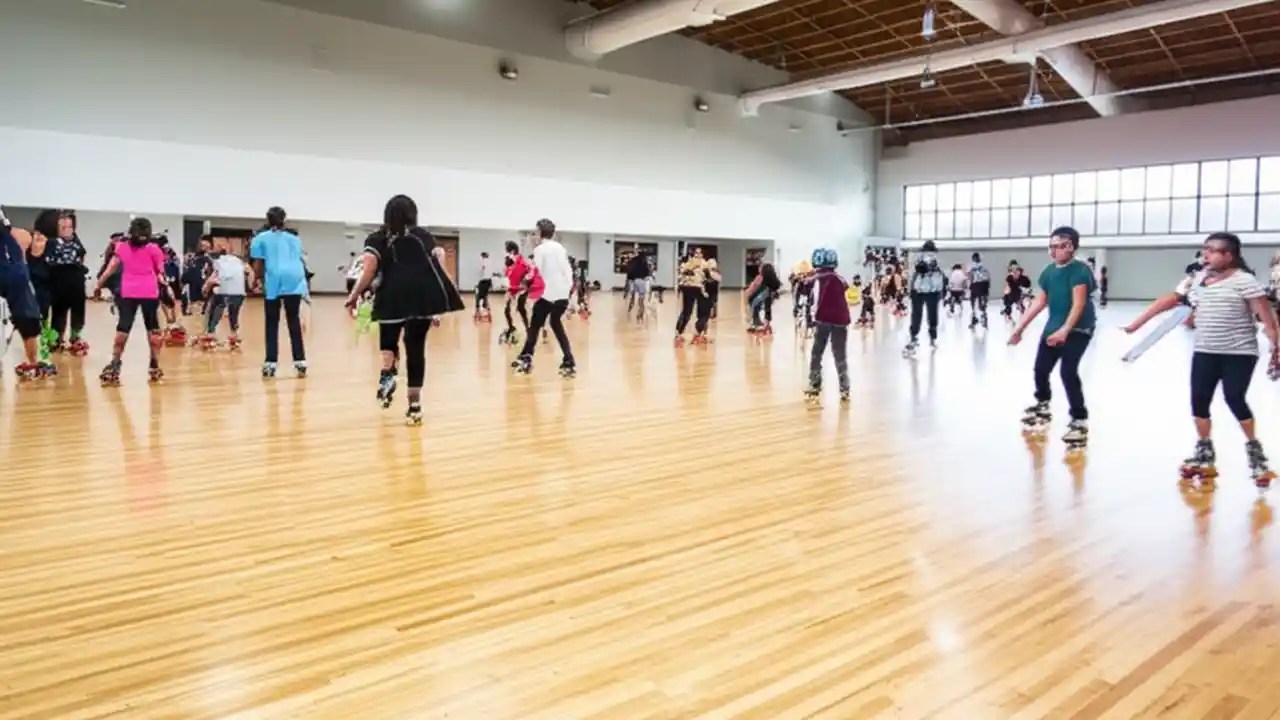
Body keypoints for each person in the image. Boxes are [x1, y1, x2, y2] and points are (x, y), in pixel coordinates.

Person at [1124, 232, 1279, 490]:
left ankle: (1255, 452)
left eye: (1212, 250)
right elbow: (1173, 302)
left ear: (1229, 255)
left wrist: (1276, 346)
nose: (1205, 254)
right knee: (1199, 401)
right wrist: (1137, 325)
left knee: (1234, 398)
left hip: (1239, 353)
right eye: (1204, 249)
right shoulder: (1198, 281)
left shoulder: (1245, 281)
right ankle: (1205, 451)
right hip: (1205, 350)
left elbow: (1266, 317)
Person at [346, 194, 464, 424]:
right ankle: (414, 406)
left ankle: (388, 374)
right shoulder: (422, 236)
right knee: (416, 349)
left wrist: (354, 296)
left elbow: (369, 269)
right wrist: (439, 305)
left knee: (389, 342)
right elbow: (437, 265)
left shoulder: (378, 238)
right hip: (422, 298)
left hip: (391, 298)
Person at [1010, 226, 1097, 450]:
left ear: (1070, 247)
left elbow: (1079, 304)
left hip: (1078, 329)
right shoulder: (1049, 272)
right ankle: (1042, 404)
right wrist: (1020, 328)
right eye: (1050, 246)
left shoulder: (1080, 271)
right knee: (1040, 369)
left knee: (1067, 371)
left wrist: (1065, 330)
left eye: (1057, 247)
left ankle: (1079, 419)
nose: (1052, 252)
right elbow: (1040, 302)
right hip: (1054, 327)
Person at [92, 217, 167, 386]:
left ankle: (116, 362)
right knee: (151, 328)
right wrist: (166, 287)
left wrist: (98, 285)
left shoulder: (124, 247)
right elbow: (161, 274)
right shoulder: (153, 249)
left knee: (125, 328)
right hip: (145, 292)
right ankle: (154, 364)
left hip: (132, 293)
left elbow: (110, 268)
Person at [250, 206, 309, 378]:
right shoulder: (294, 239)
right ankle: (300, 362)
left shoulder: (260, 239)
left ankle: (271, 363)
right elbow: (298, 258)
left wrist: (256, 281)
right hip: (295, 279)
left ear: (268, 220)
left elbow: (259, 265)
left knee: (272, 321)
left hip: (275, 279)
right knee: (293, 320)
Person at [512, 219, 575, 376]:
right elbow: (568, 271)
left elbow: (535, 271)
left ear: (539, 232)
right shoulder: (560, 248)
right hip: (562, 293)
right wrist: (570, 294)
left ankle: (527, 357)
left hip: (548, 294)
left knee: (535, 326)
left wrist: (523, 286)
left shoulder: (540, 250)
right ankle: (569, 360)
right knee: (555, 323)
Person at [0, 212, 53, 379]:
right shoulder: (18, 235)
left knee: (26, 320)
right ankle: (32, 362)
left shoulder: (17, 235)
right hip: (16, 274)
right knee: (27, 320)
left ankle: (32, 361)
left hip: (14, 274)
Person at [803, 248, 851, 404]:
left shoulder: (816, 279)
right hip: (841, 321)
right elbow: (845, 288)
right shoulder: (840, 278)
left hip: (823, 319)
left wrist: (810, 320)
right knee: (840, 355)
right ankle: (845, 388)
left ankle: (815, 383)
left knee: (817, 352)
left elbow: (814, 300)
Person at [44, 211, 90, 355]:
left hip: (76, 278)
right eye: (62, 224)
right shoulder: (51, 241)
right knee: (59, 311)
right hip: (58, 278)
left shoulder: (76, 240)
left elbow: (82, 255)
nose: (65, 227)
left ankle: (75, 337)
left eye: (68, 225)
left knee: (78, 310)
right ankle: (56, 339)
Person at [201, 248, 252, 350]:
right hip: (239, 292)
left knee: (216, 310)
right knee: (234, 314)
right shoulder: (240, 262)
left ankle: (210, 333)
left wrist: (205, 289)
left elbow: (212, 278)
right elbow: (250, 273)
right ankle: (234, 335)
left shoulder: (218, 262)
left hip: (223, 290)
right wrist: (250, 287)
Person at [904, 240, 945, 356]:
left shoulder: (937, 262)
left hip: (931, 291)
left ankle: (931, 336)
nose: (929, 254)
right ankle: (914, 335)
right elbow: (914, 274)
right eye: (928, 251)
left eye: (931, 252)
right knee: (918, 314)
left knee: (930, 314)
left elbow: (939, 278)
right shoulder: (918, 260)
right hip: (920, 291)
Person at [675, 248, 711, 346]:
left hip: (686, 287)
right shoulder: (704, 263)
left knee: (686, 311)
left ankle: (678, 334)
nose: (697, 255)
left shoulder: (688, 263)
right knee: (704, 312)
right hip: (696, 287)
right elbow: (708, 277)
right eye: (697, 253)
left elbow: (681, 273)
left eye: (698, 253)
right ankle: (699, 333)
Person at [745, 262, 782, 333]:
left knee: (755, 305)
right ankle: (762, 324)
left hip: (761, 297)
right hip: (766, 297)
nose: (759, 269)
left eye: (761, 268)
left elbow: (754, 288)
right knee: (765, 308)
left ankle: (756, 323)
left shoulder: (762, 280)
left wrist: (749, 294)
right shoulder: (772, 282)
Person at [624, 245, 650, 319]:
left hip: (634, 280)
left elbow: (629, 270)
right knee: (641, 299)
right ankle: (640, 313)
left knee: (632, 296)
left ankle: (629, 310)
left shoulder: (633, 261)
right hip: (642, 281)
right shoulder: (644, 262)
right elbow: (647, 272)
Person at [968, 251, 991, 328]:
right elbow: (988, 278)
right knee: (981, 304)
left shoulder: (973, 267)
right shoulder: (983, 267)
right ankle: (982, 317)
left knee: (974, 303)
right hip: (983, 285)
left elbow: (970, 277)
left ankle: (976, 318)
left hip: (977, 285)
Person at [474, 251, 494, 320]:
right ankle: (488, 311)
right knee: (485, 296)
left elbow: (481, 271)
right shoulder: (490, 262)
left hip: (483, 281)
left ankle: (478, 311)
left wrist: (477, 284)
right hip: (489, 281)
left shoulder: (483, 262)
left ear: (482, 256)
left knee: (478, 296)